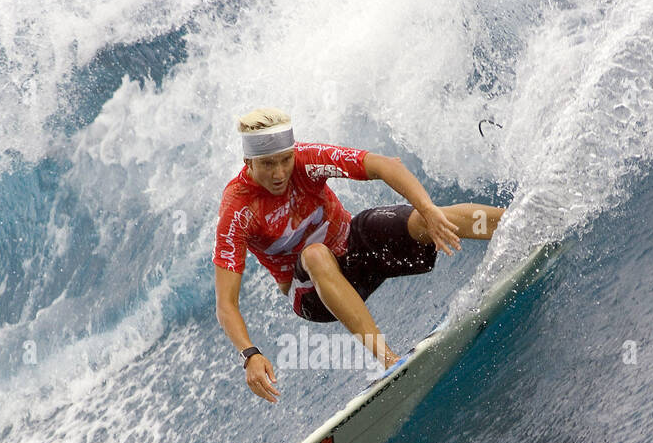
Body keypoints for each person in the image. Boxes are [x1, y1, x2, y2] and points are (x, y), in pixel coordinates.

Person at [214, 108, 503, 402]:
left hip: (357, 252)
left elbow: (382, 165)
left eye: (285, 160)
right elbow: (226, 304)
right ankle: (391, 362)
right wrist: (250, 354)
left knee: (422, 219)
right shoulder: (238, 209)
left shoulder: (306, 160)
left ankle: (519, 220)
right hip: (313, 295)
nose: (279, 173)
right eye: (267, 164)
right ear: (248, 161)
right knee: (315, 254)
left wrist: (428, 209)